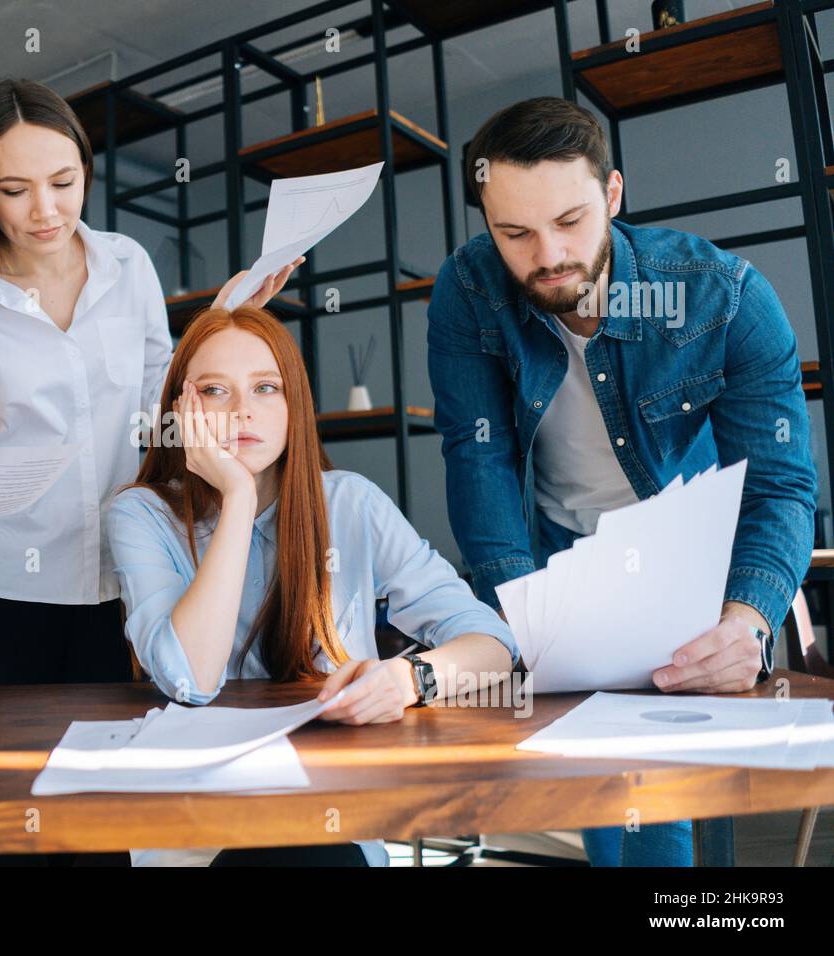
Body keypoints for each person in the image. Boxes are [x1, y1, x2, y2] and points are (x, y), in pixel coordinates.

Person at [0, 78, 299, 866]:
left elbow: (162, 406)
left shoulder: (128, 265)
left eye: (64, 183)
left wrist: (219, 328)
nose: (44, 209)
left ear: (87, 171)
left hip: (118, 587)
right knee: (13, 827)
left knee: (103, 825)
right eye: (14, 190)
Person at [426, 96, 817, 866]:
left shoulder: (726, 298)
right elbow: (478, 456)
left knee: (666, 780)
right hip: (559, 552)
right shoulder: (469, 291)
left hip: (687, 553)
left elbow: (779, 488)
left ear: (612, 193)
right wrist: (522, 616)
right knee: (609, 780)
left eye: (570, 221)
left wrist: (746, 623)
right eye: (514, 233)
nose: (547, 256)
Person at [107, 305, 518, 866]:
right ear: (181, 409)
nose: (241, 411)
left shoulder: (351, 502)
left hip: (331, 814)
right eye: (213, 390)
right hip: (201, 824)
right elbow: (190, 679)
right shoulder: (142, 514)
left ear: (294, 404)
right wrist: (239, 497)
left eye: (265, 388)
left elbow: (493, 644)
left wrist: (408, 678)